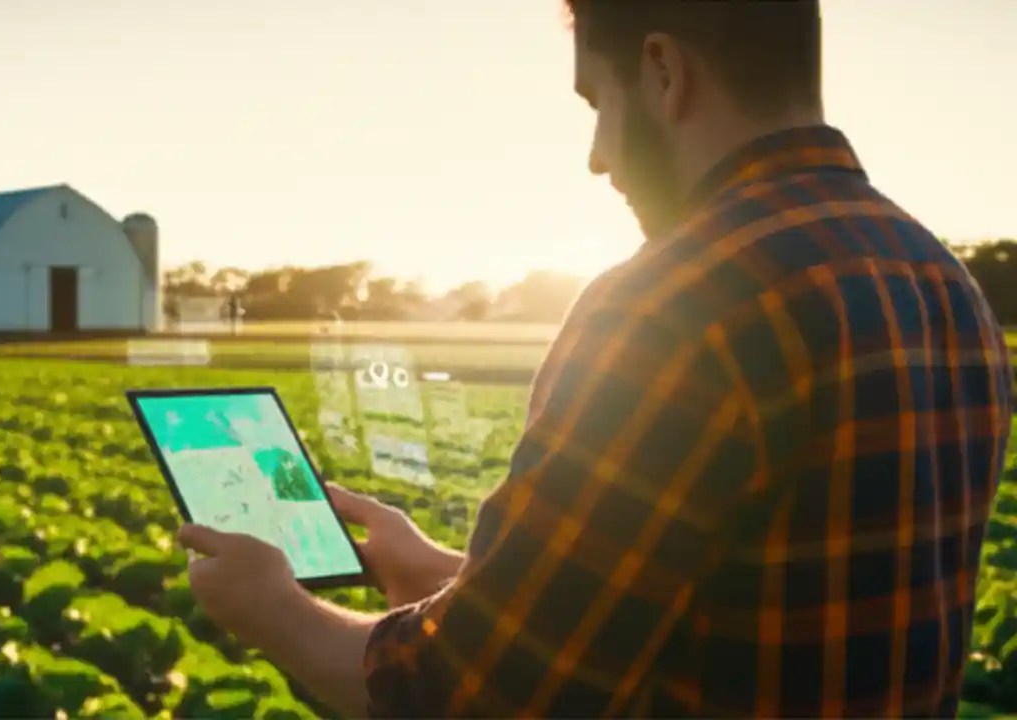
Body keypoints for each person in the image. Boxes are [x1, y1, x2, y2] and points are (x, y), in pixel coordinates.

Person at [177, 1, 1015, 716]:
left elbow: (468, 699)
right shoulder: (938, 278)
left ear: (661, 71)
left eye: (596, 104)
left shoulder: (678, 302)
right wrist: (442, 573)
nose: (598, 155)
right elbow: (733, 601)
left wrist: (273, 607)